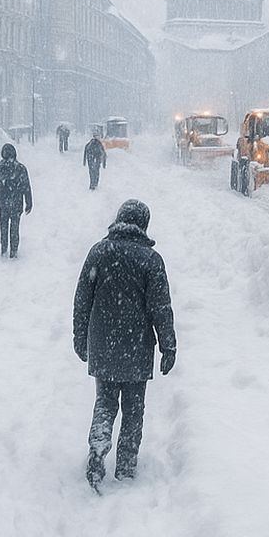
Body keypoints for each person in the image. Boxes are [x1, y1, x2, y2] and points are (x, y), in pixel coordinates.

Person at [73, 199, 177, 491]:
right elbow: (160, 307)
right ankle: (126, 468)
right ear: (143, 225)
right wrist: (168, 346)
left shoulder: (99, 252)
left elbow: (82, 299)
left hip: (103, 342)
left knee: (105, 402)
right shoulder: (151, 260)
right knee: (133, 409)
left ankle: (98, 445)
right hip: (137, 345)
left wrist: (80, 337)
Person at [0, 143, 33, 258]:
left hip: (3, 202)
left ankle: (3, 249)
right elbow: (26, 187)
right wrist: (29, 203)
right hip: (17, 202)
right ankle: (14, 251)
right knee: (15, 227)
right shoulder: (21, 168)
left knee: (3, 226)